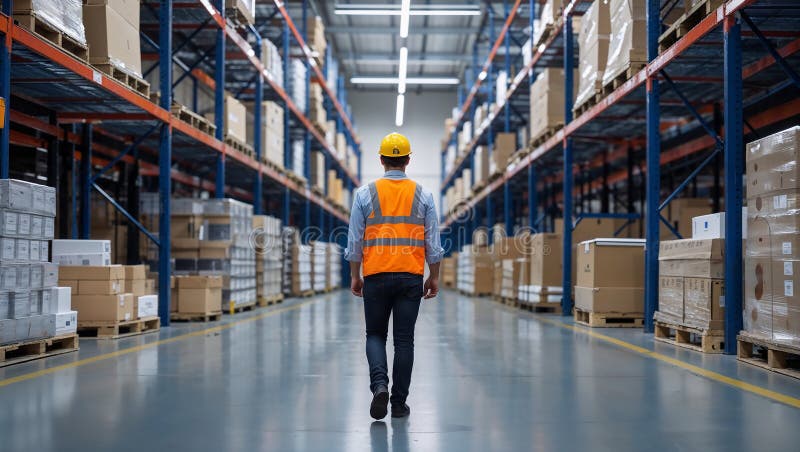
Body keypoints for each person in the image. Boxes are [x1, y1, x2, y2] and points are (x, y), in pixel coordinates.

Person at [345, 132, 444, 420]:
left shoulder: (365, 194)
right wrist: (433, 275)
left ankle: (379, 386)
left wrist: (355, 275)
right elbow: (433, 244)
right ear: (408, 160)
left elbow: (354, 242)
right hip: (410, 277)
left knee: (375, 334)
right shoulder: (423, 195)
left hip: (375, 275)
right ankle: (398, 404)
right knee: (404, 341)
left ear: (381, 159)